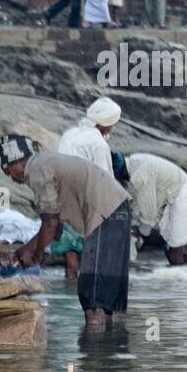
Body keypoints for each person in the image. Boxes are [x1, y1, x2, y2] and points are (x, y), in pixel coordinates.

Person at [0, 134, 132, 328]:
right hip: (118, 209)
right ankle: (109, 353)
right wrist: (25, 251)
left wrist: (36, 256)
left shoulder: (36, 170)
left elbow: (50, 224)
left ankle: (92, 355)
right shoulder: (46, 161)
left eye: (8, 171)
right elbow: (56, 225)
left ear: (12, 164)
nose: (10, 177)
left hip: (104, 214)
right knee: (106, 301)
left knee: (92, 299)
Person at [51, 97, 122, 279]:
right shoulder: (98, 144)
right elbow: (105, 180)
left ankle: (70, 284)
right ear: (106, 124)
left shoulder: (70, 134)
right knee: (87, 250)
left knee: (70, 248)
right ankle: (83, 294)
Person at [114, 152, 187, 266]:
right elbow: (136, 203)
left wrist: (140, 232)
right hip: (173, 197)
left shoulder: (140, 175)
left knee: (175, 255)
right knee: (170, 253)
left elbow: (149, 212)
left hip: (184, 197)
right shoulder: (134, 161)